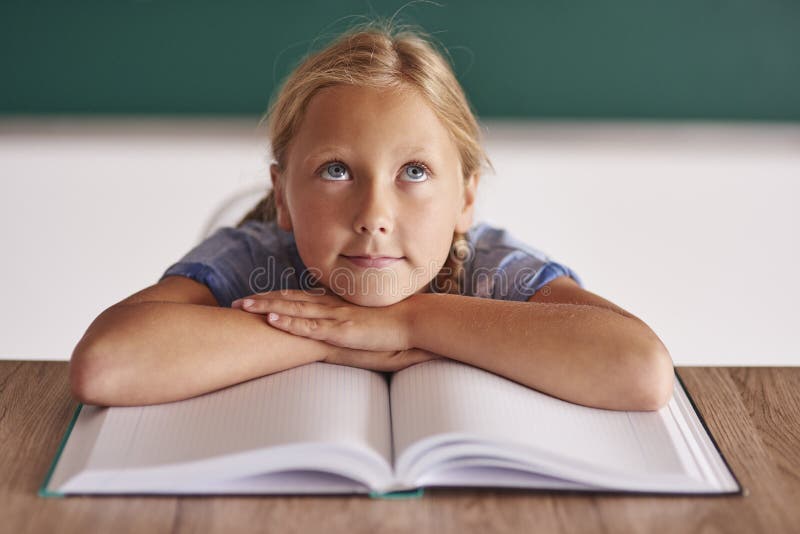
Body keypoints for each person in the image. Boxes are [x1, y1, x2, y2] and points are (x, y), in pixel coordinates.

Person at [69, 20, 674, 411]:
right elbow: (107, 365)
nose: (373, 215)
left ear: (466, 199)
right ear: (282, 196)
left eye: (413, 173)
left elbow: (639, 368)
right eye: (336, 171)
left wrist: (409, 321)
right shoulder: (254, 259)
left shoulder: (491, 268)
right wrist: (336, 333)